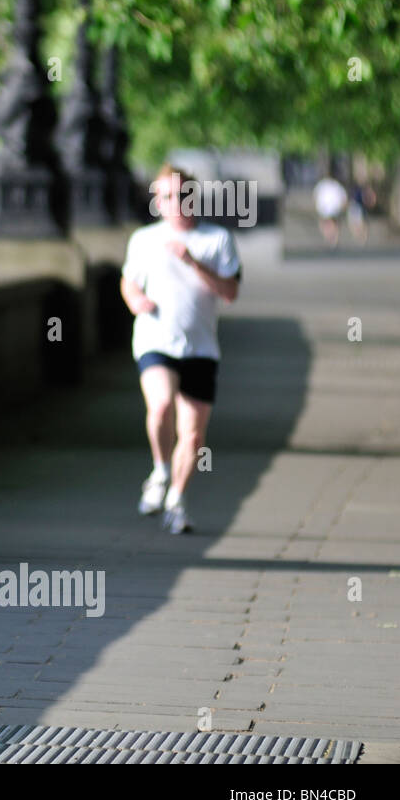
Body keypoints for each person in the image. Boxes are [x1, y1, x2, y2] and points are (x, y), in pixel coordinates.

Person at [120, 165, 241, 535]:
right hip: (156, 339)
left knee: (192, 435)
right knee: (160, 405)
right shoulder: (144, 239)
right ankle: (160, 469)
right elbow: (128, 283)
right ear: (158, 201)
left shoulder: (217, 239)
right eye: (168, 196)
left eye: (184, 194)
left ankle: (176, 500)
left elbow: (231, 293)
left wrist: (192, 261)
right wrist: (136, 300)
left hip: (201, 348)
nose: (177, 202)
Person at [313, 174, 348, 248]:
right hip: (327, 208)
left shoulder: (332, 185)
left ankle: (332, 239)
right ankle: (331, 239)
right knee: (327, 223)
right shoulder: (325, 185)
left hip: (331, 208)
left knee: (330, 223)